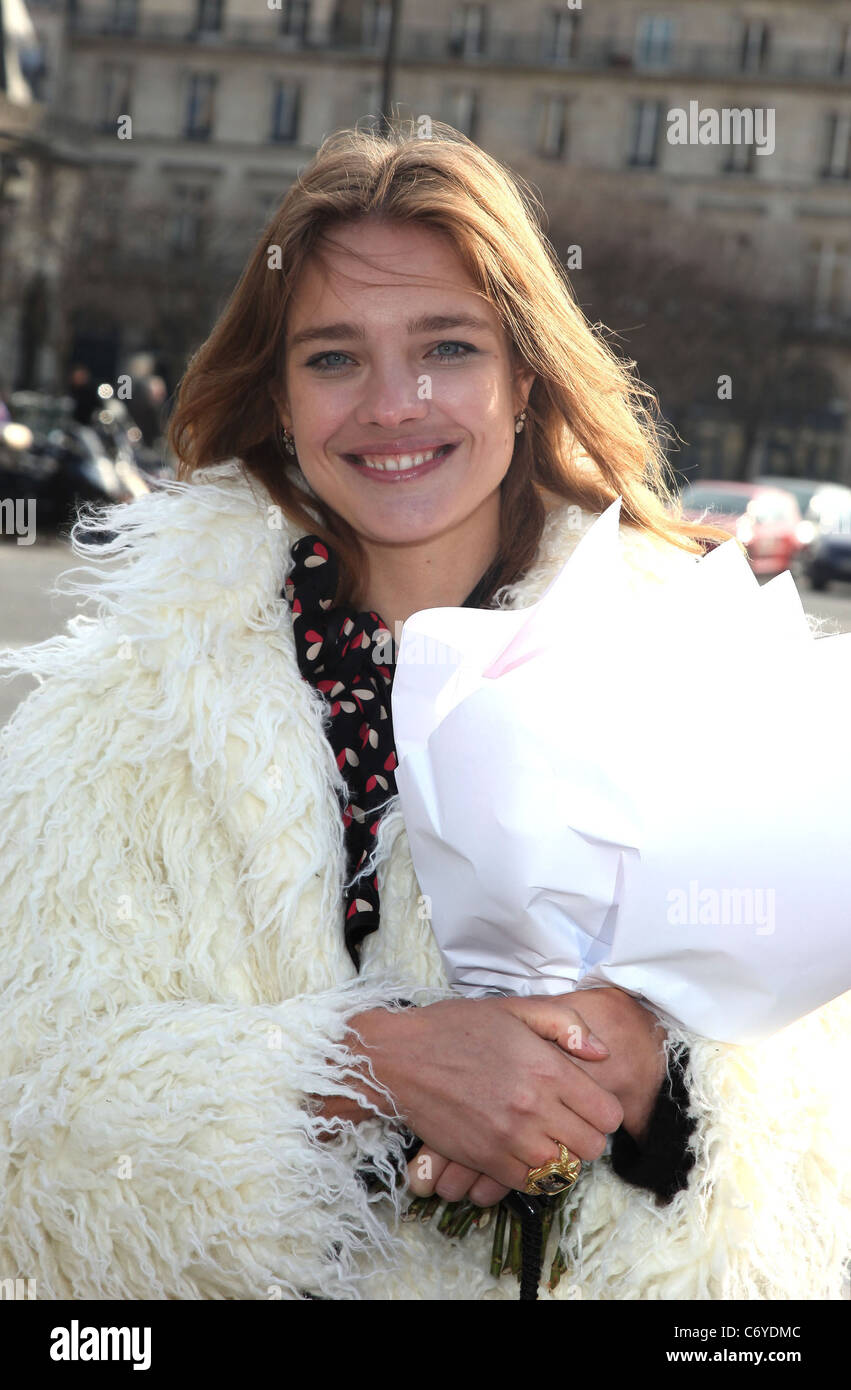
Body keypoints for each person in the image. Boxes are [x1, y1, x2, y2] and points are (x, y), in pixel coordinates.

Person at [1, 122, 848, 1301]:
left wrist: (652, 1068)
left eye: (446, 346)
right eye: (333, 358)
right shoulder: (119, 710)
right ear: (279, 395)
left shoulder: (691, 665)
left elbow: (811, 1148)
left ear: (523, 374)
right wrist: (360, 1066)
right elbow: (29, 1124)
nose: (392, 405)